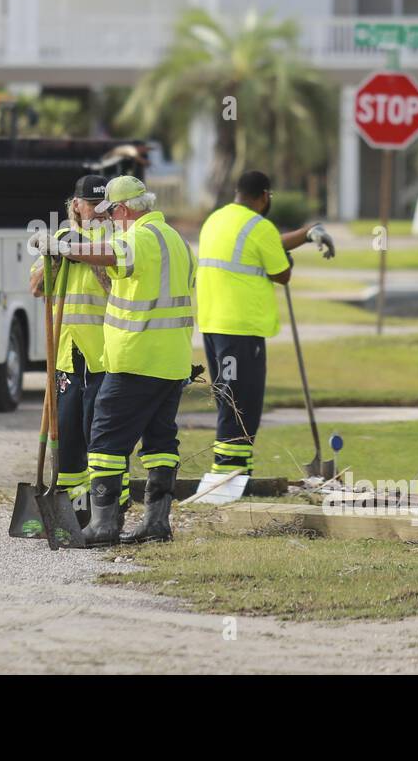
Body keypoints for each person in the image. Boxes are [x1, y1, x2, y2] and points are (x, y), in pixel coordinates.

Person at [34, 175, 195, 547]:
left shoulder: (138, 238)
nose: (110, 221)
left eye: (112, 214)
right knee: (160, 439)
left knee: (105, 439)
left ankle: (103, 525)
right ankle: (157, 523)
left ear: (122, 209)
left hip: (136, 359)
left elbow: (111, 254)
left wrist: (65, 248)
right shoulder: (177, 240)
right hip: (172, 361)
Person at [196, 170, 335, 480]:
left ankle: (234, 469)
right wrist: (289, 259)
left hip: (212, 323)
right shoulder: (259, 226)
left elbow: (265, 244)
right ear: (264, 196)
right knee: (242, 399)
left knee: (227, 396)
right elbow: (281, 273)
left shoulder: (217, 219)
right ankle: (229, 472)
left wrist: (307, 232)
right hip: (241, 328)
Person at [29, 175, 112, 523]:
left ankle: (108, 508)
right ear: (76, 204)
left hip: (104, 352)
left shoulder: (115, 239)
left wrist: (83, 253)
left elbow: (113, 284)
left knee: (101, 433)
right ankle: (71, 510)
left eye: (104, 207)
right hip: (66, 351)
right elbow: (36, 288)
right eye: (91, 205)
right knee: (65, 432)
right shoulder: (60, 236)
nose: (97, 213)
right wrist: (57, 256)